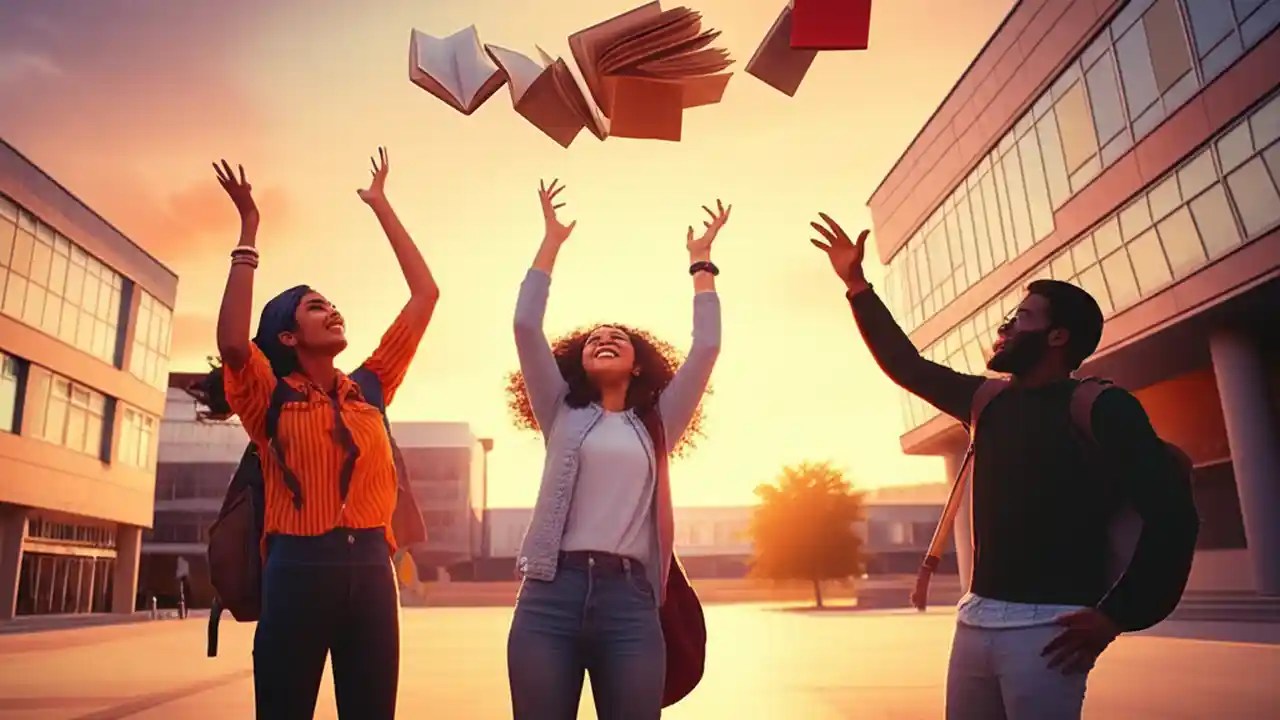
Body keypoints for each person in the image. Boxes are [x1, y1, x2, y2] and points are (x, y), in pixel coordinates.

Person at [806, 214, 1198, 720]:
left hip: (1051, 628)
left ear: (1058, 337)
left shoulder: (1101, 407)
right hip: (975, 619)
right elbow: (908, 366)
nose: (1005, 326)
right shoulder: (988, 400)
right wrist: (857, 287)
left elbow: (1173, 516)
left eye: (1022, 317)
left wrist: (1115, 616)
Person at [192, 148, 438, 719]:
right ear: (285, 338)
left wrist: (382, 207)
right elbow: (233, 344)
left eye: (331, 303)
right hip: (297, 572)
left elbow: (424, 297)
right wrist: (248, 231)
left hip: (375, 573)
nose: (331, 310)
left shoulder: (370, 390)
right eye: (313, 306)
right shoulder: (266, 398)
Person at [506, 179, 727, 719]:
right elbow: (525, 324)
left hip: (629, 603)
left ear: (638, 363)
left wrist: (702, 265)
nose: (603, 339)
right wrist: (550, 242)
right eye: (592, 339)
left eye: (618, 339)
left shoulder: (658, 423)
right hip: (548, 597)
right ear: (576, 361)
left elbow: (708, 346)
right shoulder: (559, 411)